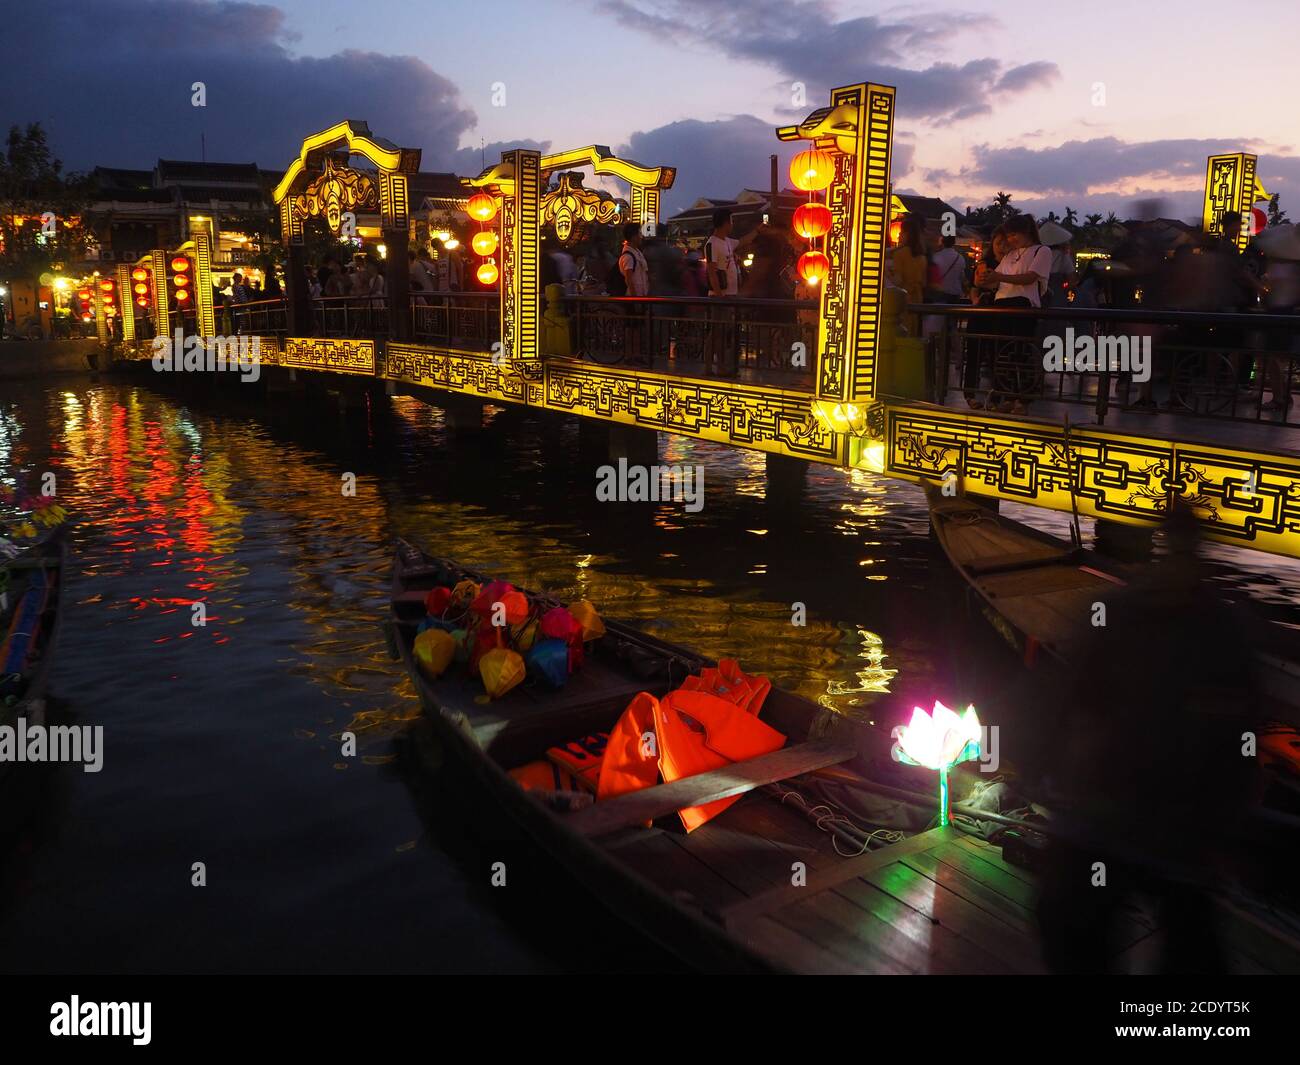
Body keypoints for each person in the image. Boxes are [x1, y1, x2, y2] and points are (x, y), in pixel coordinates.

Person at [977, 213, 1051, 413]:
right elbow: (996, 281)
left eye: (1013, 235)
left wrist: (999, 276)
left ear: (1026, 232)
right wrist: (985, 278)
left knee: (1021, 352)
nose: (1011, 239)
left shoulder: (1041, 251)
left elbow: (1029, 278)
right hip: (1002, 303)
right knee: (1002, 352)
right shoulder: (1010, 255)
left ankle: (1023, 400)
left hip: (1023, 304)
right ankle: (1008, 396)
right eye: (1008, 236)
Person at [617, 221, 650, 365]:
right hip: (633, 297)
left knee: (637, 327)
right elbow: (629, 279)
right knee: (631, 327)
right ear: (633, 236)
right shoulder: (629, 256)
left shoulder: (636, 253)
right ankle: (630, 355)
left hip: (639, 296)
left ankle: (635, 354)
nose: (641, 237)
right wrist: (635, 298)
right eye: (639, 234)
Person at [891, 214, 927, 335]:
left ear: (907, 235)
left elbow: (898, 281)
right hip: (917, 300)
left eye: (901, 232)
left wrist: (886, 275)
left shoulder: (899, 254)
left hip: (903, 301)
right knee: (913, 333)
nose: (899, 235)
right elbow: (924, 282)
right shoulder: (922, 257)